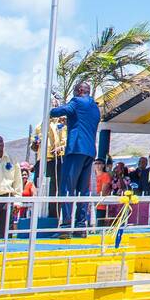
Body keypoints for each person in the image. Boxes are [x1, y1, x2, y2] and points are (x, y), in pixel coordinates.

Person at [51, 81, 101, 231]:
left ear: (79, 90)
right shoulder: (95, 106)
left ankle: (66, 224)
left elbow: (60, 111)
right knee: (83, 189)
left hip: (76, 148)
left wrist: (51, 110)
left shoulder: (77, 101)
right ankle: (81, 223)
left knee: (67, 186)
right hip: (89, 151)